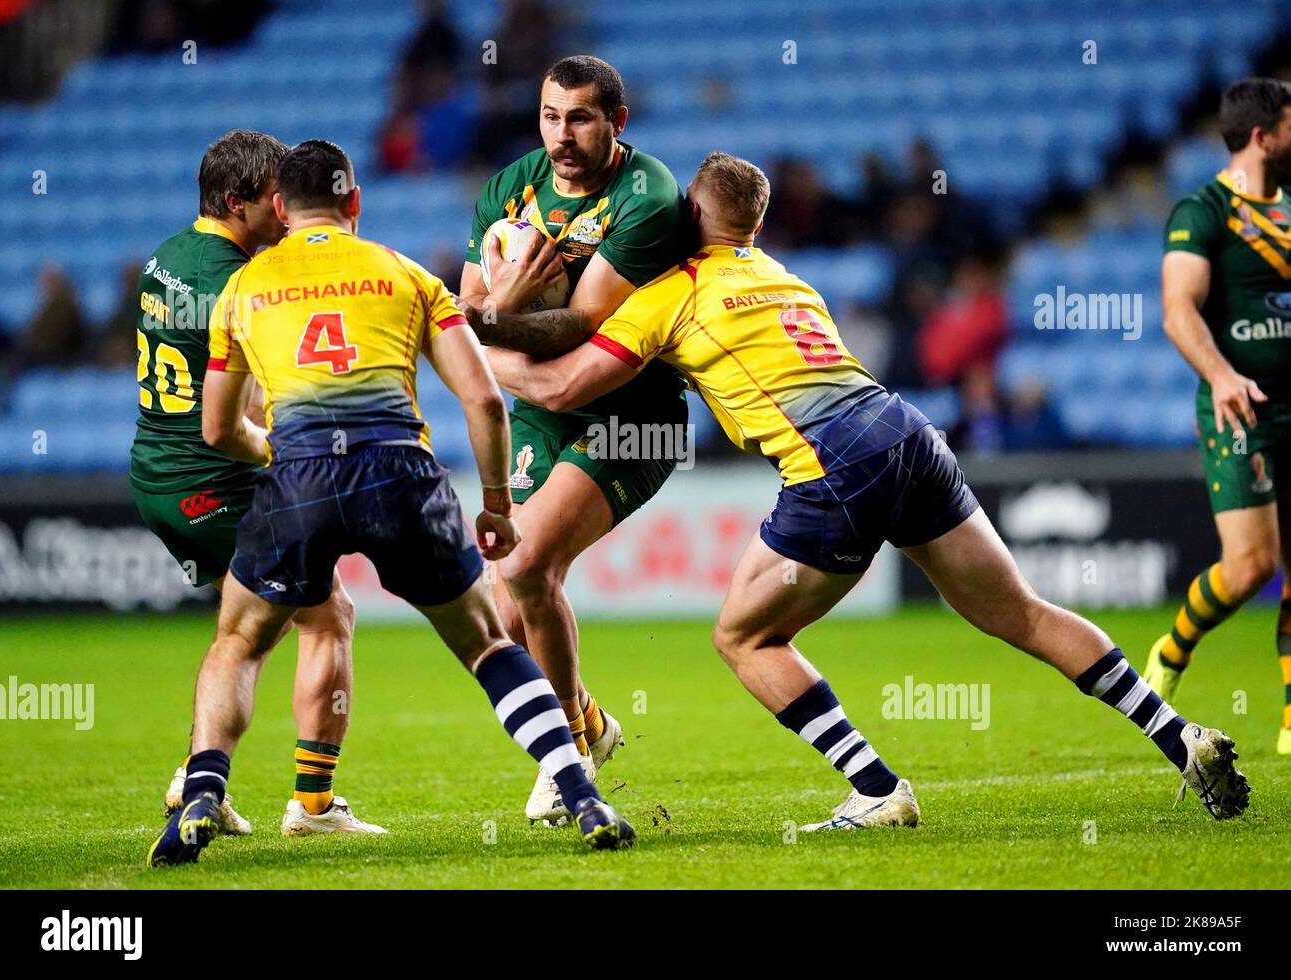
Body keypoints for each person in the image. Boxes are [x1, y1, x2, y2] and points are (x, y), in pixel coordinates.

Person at [476, 151, 1252, 829]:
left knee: (744, 638)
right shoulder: (787, 279)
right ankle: (1179, 735)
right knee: (1019, 611)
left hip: (832, 461)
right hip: (907, 432)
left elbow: (567, 382)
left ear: (688, 215)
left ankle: (877, 789)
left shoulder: (670, 291)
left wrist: (474, 343)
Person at [147, 139, 632, 866]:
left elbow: (218, 426)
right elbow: (483, 401)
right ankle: (579, 788)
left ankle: (204, 792)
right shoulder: (406, 275)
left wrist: (279, 454)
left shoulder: (246, 288)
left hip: (299, 478)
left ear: (280, 207)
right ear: (356, 203)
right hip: (400, 475)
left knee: (239, 642)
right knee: (488, 646)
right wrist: (497, 505)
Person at [458, 55, 691, 824]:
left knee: (525, 562)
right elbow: (464, 303)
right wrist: (489, 319)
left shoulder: (647, 197)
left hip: (633, 415)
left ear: (618, 123)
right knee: (504, 602)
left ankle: (567, 755)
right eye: (551, 116)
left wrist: (497, 319)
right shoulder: (508, 188)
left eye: (582, 118)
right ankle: (587, 722)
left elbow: (578, 323)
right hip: (538, 410)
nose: (563, 135)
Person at [130, 130, 372, 838]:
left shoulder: (166, 257)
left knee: (246, 629)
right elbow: (240, 416)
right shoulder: (236, 286)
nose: (283, 203)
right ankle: (315, 804)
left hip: (155, 477)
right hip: (215, 484)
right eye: (272, 194)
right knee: (329, 615)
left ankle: (197, 775)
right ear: (236, 202)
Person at [1146, 77, 1291, 756]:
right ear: (1264, 137)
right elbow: (1179, 311)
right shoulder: (1203, 210)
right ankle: (1174, 648)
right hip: (1240, 408)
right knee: (1251, 568)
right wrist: (1223, 373)